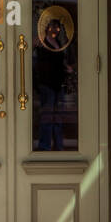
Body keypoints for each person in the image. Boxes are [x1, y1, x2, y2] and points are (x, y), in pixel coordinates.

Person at [34, 15, 73, 150]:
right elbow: (44, 65)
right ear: (47, 29)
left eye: (57, 27)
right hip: (48, 84)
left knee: (57, 117)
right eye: (52, 27)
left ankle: (58, 145)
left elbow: (58, 62)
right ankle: (45, 146)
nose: (55, 30)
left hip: (57, 84)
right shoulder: (42, 44)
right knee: (47, 117)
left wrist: (65, 68)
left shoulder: (59, 43)